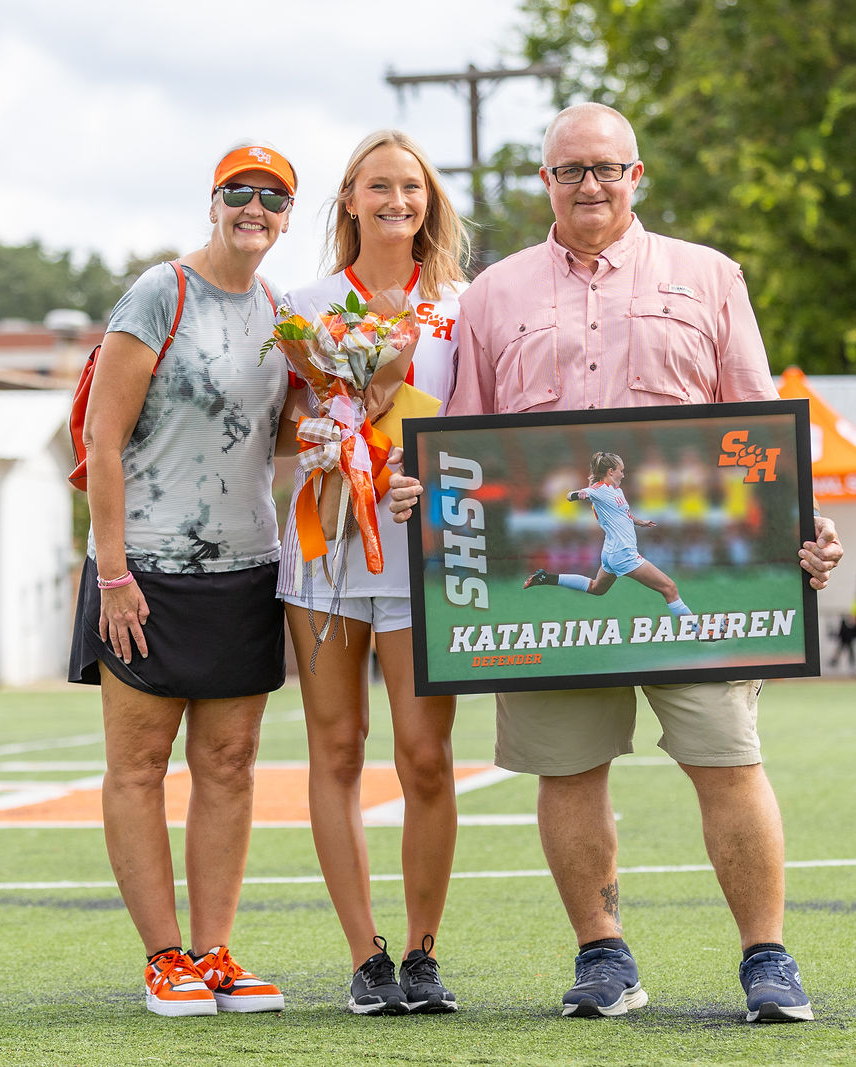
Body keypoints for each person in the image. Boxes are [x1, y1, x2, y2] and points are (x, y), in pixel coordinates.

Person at [387, 103, 843, 1023]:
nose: (588, 184)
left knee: (728, 760)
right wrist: (421, 495)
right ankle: (603, 956)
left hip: (694, 568)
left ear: (638, 176)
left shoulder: (710, 276)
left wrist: (809, 521)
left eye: (606, 168)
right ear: (544, 182)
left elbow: (756, 424)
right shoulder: (493, 296)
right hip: (549, 587)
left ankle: (767, 958)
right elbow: (465, 443)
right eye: (569, 170)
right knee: (570, 769)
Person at [68, 143, 304, 1018]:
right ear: (213, 202)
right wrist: (114, 570)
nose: (256, 209)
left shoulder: (283, 310)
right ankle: (163, 957)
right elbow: (103, 437)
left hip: (248, 564)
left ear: (287, 215)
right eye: (240, 192)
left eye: (274, 198)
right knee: (138, 766)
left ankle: (214, 952)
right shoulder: (159, 293)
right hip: (147, 571)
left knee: (231, 764)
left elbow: (263, 434)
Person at [276, 129, 469, 1015]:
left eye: (414, 188)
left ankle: (424, 952)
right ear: (349, 198)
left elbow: (475, 429)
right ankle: (367, 956)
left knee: (426, 757)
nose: (398, 201)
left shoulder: (463, 306)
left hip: (421, 554)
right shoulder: (304, 304)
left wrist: (422, 477)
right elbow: (278, 427)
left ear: (431, 202)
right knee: (338, 747)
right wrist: (328, 439)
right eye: (379, 186)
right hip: (324, 548)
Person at [523, 450, 692, 617]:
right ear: (611, 471)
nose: (623, 475)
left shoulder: (616, 490)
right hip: (624, 553)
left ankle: (546, 578)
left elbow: (621, 513)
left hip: (611, 552)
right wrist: (578, 494)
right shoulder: (600, 489)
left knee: (596, 588)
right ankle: (698, 630)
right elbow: (570, 496)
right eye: (621, 470)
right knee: (669, 588)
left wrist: (639, 521)